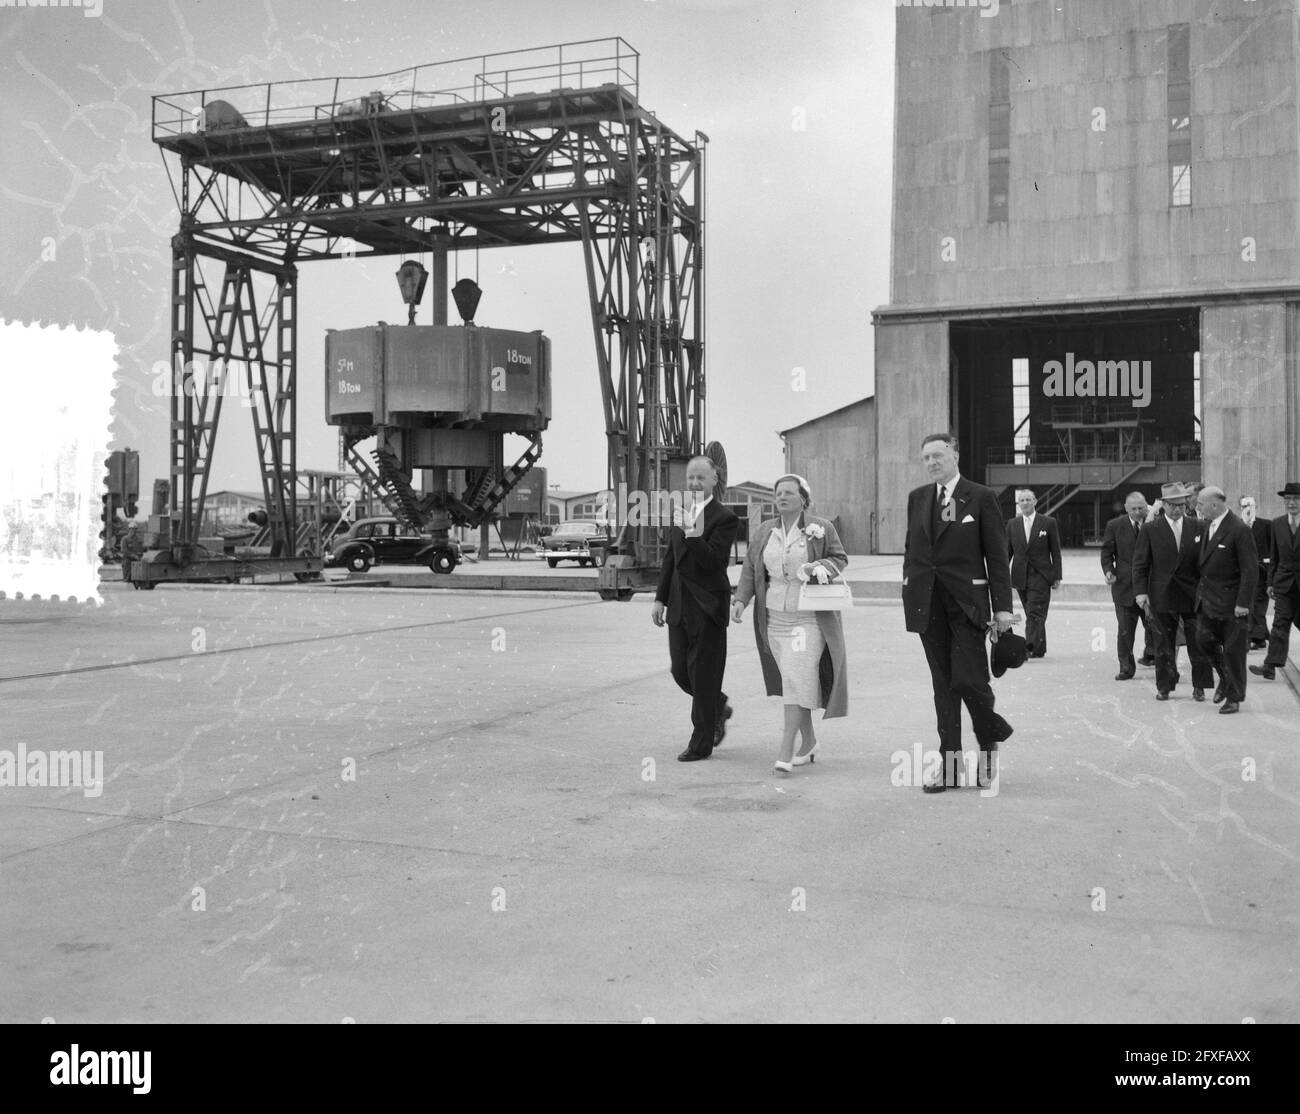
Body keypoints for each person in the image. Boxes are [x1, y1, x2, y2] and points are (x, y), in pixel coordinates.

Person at [901, 432, 1014, 793]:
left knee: (970, 680)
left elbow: (996, 557)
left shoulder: (981, 497)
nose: (932, 462)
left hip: (968, 605)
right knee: (943, 688)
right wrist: (910, 590)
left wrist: (1004, 610)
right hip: (928, 604)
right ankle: (949, 768)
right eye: (926, 458)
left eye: (938, 455)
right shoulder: (917, 499)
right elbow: (913, 550)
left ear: (955, 455)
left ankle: (987, 747)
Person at [731, 475, 849, 773]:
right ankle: (808, 741)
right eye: (778, 492)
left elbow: (839, 558)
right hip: (773, 619)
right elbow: (750, 568)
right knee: (794, 682)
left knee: (797, 675)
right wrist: (741, 600)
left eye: (788, 492)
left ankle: (785, 750)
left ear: (803, 498)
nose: (781, 497)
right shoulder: (763, 531)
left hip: (808, 618)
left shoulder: (820, 528)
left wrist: (820, 566)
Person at [652, 456, 740, 761]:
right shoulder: (682, 512)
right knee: (681, 671)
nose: (694, 484)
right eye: (690, 478)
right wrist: (659, 598)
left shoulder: (724, 518)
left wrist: (692, 533)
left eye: (701, 478)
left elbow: (714, 561)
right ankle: (718, 704)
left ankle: (700, 744)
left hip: (707, 607)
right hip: (678, 606)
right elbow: (670, 559)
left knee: (702, 675)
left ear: (715, 480)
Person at [1133, 482, 1212, 701]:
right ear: (1163, 505)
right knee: (1163, 644)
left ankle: (1200, 686)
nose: (1177, 509)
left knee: (1198, 642)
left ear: (1187, 504)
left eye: (1181, 504)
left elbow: (1207, 562)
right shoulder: (1151, 529)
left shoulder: (1198, 527)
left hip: (1193, 594)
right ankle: (1164, 686)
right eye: (1172, 505)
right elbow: (1140, 564)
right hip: (1162, 594)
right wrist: (1141, 592)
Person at [1193, 485, 1257, 714]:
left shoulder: (1238, 529)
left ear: (1214, 504)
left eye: (1200, 503)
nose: (1196, 507)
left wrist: (1243, 603)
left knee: (1233, 651)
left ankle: (1234, 697)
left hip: (1232, 603)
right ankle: (1224, 677)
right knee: (1203, 641)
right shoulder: (1207, 525)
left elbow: (1250, 570)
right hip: (1208, 600)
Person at [1100, 492, 1156, 679]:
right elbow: (1107, 553)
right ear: (1125, 508)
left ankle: (1159, 663)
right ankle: (1126, 667)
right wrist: (1109, 571)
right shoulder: (1114, 526)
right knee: (1125, 631)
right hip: (1124, 587)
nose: (1138, 512)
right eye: (1134, 509)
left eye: (1141, 508)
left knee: (1156, 629)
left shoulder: (1155, 523)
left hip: (1151, 588)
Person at [1250, 481, 1300, 682]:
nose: (1291, 503)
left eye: (1296, 499)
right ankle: (1270, 666)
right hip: (1284, 583)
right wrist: (1270, 583)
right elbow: (1274, 557)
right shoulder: (1277, 524)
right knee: (1280, 623)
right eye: (1288, 499)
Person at [1006, 488, 1062, 658]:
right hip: (1020, 576)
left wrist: (1057, 576)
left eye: (1028, 499)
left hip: (1042, 576)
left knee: (1034, 613)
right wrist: (1000, 575)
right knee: (1032, 612)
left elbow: (1056, 551)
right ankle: (1039, 648)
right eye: (1022, 500)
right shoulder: (1012, 524)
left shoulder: (1048, 522)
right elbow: (1006, 552)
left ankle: (1028, 646)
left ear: (1035, 501)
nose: (1025, 503)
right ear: (1018, 504)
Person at [1239, 496, 1273, 650]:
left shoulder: (1266, 524)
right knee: (1250, 605)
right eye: (1244, 505)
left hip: (1263, 573)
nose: (1247, 508)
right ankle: (1259, 637)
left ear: (1255, 506)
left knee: (1258, 607)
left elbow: (1273, 547)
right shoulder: (1237, 526)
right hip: (1244, 574)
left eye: (1250, 505)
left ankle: (1257, 636)